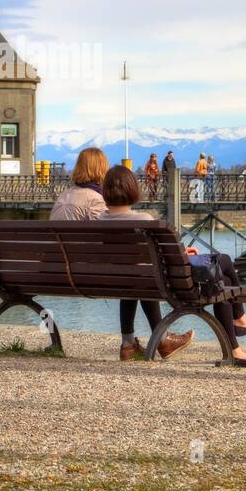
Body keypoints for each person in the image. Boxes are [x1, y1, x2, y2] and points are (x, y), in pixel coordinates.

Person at [98, 166, 246, 368]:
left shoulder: (99, 222)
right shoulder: (144, 221)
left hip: (131, 282)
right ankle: (239, 320)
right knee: (225, 263)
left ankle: (237, 338)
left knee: (224, 279)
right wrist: (183, 254)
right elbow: (163, 259)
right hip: (167, 283)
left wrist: (182, 253)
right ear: (132, 189)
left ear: (105, 192)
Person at [51, 149, 191, 360]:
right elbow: (115, 238)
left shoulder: (64, 195)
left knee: (132, 270)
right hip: (87, 274)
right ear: (100, 168)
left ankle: (130, 344)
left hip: (57, 272)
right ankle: (159, 340)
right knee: (135, 270)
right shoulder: (95, 199)